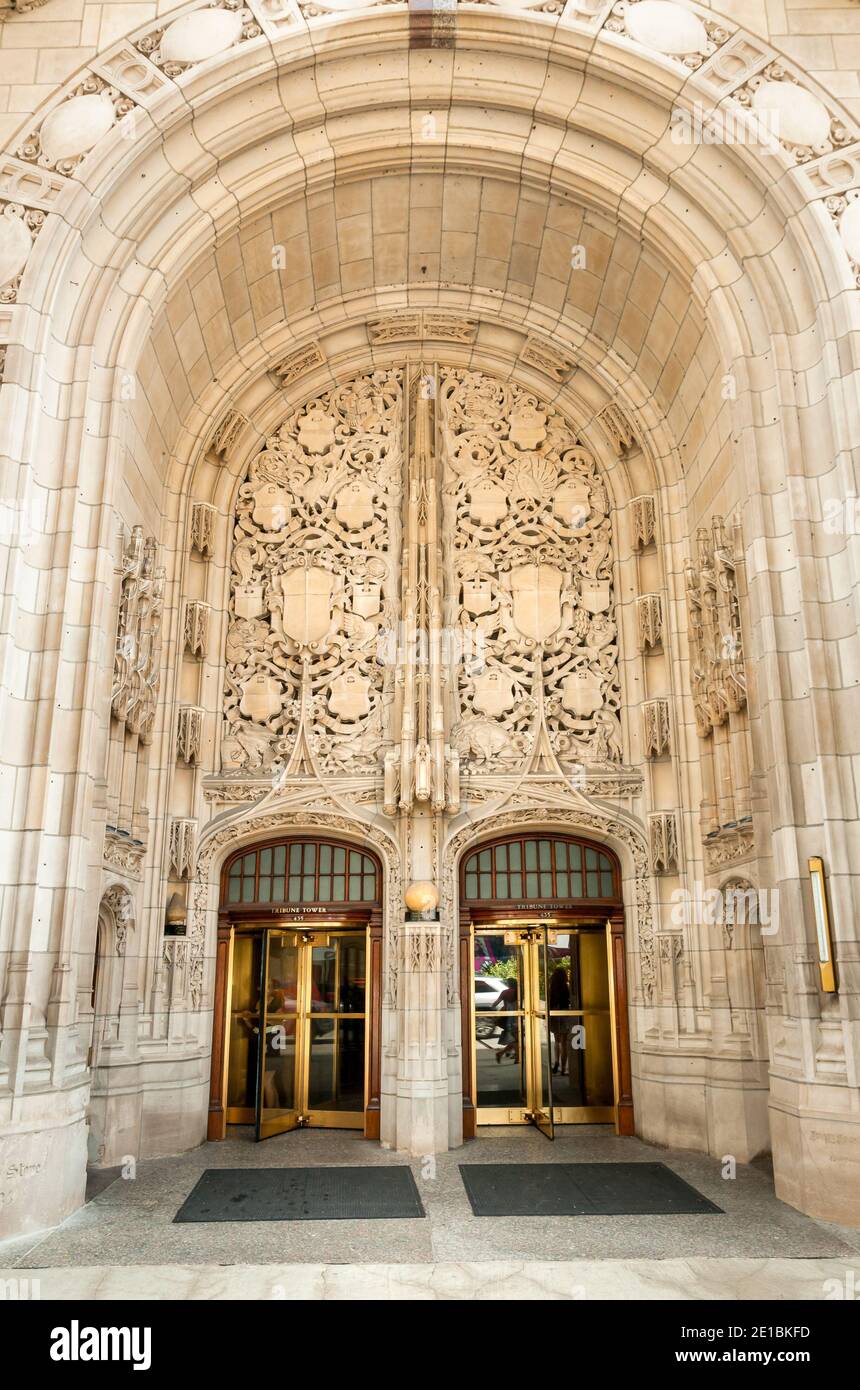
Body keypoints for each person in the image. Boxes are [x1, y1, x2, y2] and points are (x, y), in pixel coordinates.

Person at [549, 965, 571, 1075]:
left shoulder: (551, 987)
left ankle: (556, 1062)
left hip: (553, 1015)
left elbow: (550, 1001)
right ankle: (563, 1069)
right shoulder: (565, 987)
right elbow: (568, 1000)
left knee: (556, 1040)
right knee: (564, 1042)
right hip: (564, 1014)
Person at [496, 973, 520, 1062]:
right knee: (517, 1039)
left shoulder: (505, 992)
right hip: (518, 1017)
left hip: (509, 1018)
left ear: (509, 984)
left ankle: (506, 1053)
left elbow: (496, 1003)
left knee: (515, 1039)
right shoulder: (519, 992)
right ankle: (514, 1055)